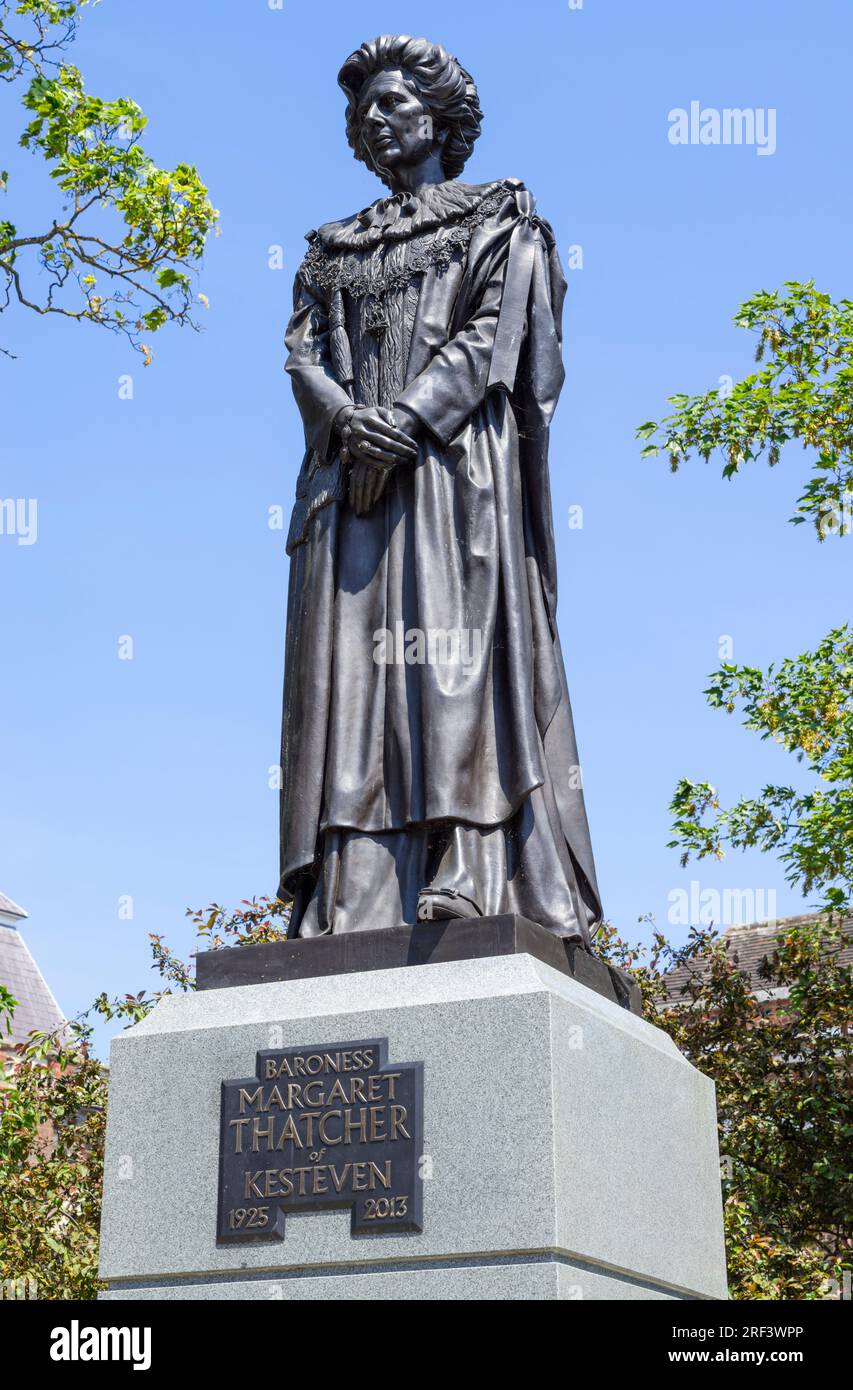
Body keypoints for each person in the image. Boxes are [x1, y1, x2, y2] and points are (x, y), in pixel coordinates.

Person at [279, 34, 602, 946]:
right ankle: (353, 893)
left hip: (453, 475)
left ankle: (469, 867)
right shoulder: (329, 249)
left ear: (440, 115)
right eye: (361, 110)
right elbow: (301, 358)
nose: (373, 119)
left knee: (450, 668)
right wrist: (349, 424)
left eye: (391, 102)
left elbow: (501, 336)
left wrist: (412, 419)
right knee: (349, 684)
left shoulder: (499, 219)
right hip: (351, 488)